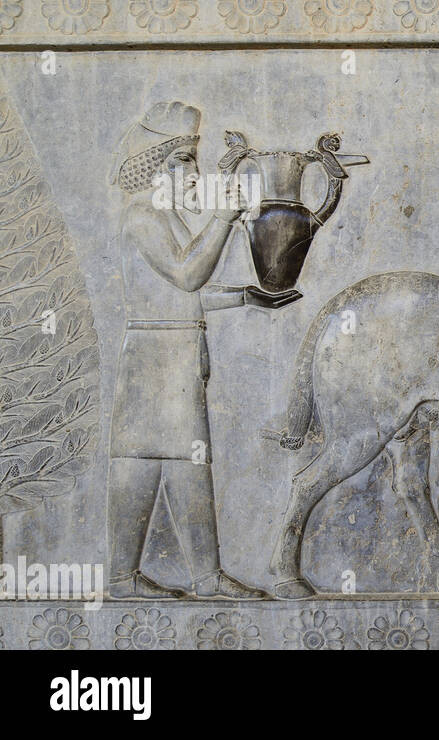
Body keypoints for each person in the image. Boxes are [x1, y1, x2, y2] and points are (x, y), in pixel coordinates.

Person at [106, 101, 266, 599]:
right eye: (184, 160)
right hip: (157, 356)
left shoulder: (163, 215)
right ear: (154, 165)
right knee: (149, 460)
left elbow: (186, 294)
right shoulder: (142, 216)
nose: (194, 171)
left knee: (173, 462)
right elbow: (187, 273)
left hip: (170, 348)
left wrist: (244, 296)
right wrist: (222, 219)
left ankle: (191, 576)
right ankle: (132, 577)